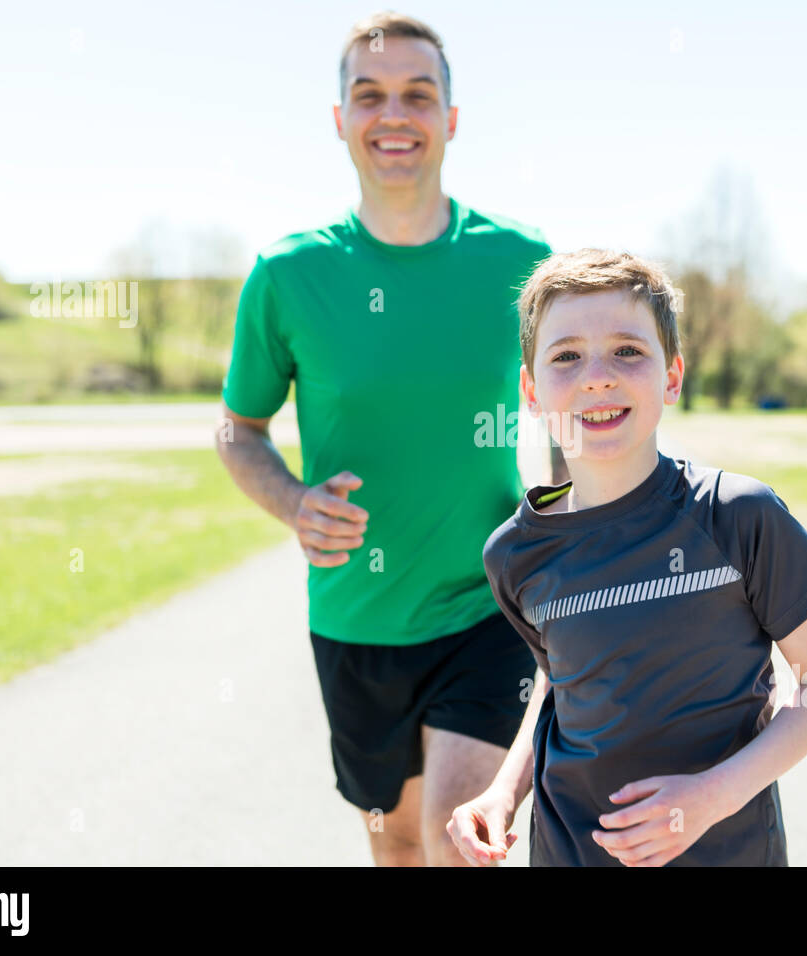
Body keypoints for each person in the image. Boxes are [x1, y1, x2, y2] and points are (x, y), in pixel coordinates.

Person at [215, 11, 556, 867]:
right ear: (341, 119)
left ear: (451, 118)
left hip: (487, 606)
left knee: (457, 837)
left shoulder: (521, 262)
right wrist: (293, 501)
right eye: (370, 96)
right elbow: (237, 429)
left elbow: (566, 420)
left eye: (418, 94)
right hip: (355, 621)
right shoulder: (288, 274)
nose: (393, 114)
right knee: (397, 843)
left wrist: (576, 539)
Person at [448, 248, 807, 866]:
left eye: (628, 351)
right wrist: (503, 792)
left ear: (672, 376)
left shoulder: (736, 515)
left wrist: (709, 797)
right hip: (569, 851)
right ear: (531, 391)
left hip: (728, 850)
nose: (597, 376)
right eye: (566, 356)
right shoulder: (515, 552)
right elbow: (562, 681)